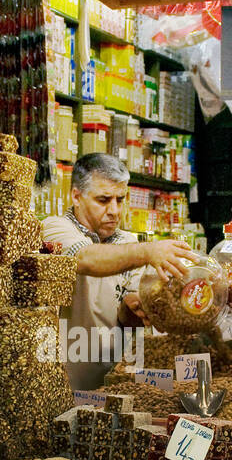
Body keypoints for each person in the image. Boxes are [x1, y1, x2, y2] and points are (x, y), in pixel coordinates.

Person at [42, 153, 201, 390]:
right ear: (76, 196)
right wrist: (148, 251)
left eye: (120, 199)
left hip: (114, 384)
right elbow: (84, 258)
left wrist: (140, 306)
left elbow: (126, 317)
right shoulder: (54, 228)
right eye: (103, 200)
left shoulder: (127, 241)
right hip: (65, 383)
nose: (114, 210)